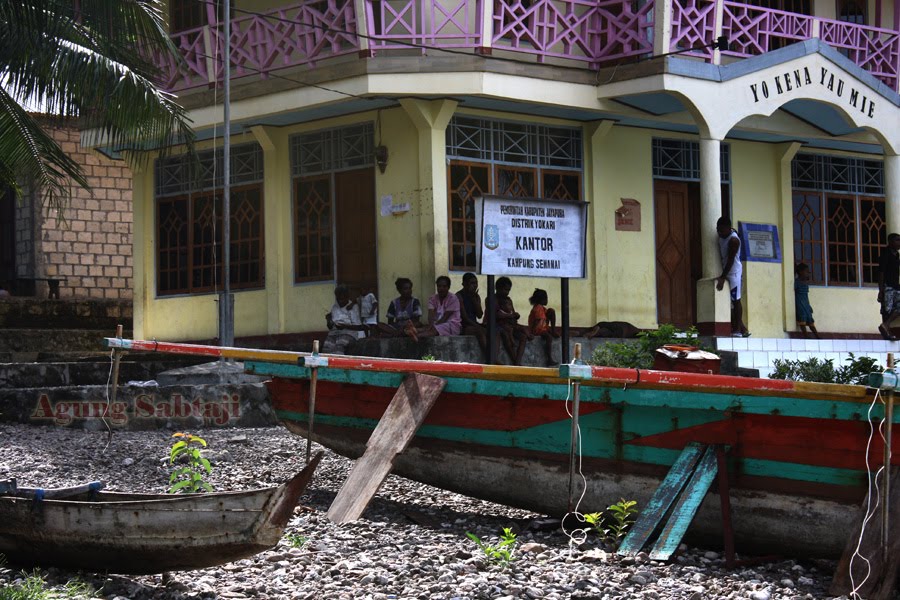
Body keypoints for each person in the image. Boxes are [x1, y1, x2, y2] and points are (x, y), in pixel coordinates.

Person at [715, 217, 750, 337]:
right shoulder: (722, 236)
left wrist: (722, 277)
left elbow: (730, 261)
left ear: (728, 229)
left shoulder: (734, 241)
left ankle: (737, 329)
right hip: (726, 270)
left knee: (736, 300)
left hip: (734, 273)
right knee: (730, 301)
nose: (719, 233)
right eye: (717, 230)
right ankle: (743, 328)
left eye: (722, 231)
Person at [323, 285, 367, 354]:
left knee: (339, 345)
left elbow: (359, 326)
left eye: (342, 299)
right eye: (338, 299)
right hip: (334, 333)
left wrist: (345, 326)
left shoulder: (353, 307)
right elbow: (330, 327)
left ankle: (338, 364)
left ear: (347, 297)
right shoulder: (335, 307)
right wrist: (329, 320)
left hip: (349, 333)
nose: (340, 301)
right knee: (326, 346)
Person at [495, 276, 529, 365]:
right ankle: (515, 361)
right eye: (505, 290)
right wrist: (510, 316)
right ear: (498, 288)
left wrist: (515, 316)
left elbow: (512, 313)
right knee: (507, 336)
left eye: (508, 290)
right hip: (498, 325)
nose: (507, 292)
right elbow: (496, 315)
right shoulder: (492, 298)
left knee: (523, 336)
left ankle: (518, 361)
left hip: (510, 325)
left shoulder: (508, 300)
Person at [456, 272, 487, 354]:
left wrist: (474, 300)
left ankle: (494, 355)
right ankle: (488, 355)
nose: (475, 285)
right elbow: (465, 318)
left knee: (494, 331)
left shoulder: (476, 296)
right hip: (463, 325)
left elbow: (480, 315)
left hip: (474, 323)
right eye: (472, 283)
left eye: (476, 283)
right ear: (464, 284)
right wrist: (478, 326)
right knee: (480, 331)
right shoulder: (459, 296)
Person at [877, 233, 900, 341]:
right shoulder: (885, 254)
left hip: (896, 286)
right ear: (890, 242)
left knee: (897, 308)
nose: (899, 243)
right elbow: (881, 273)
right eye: (897, 240)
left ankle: (885, 325)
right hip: (888, 287)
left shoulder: (897, 254)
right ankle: (886, 332)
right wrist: (881, 290)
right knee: (887, 309)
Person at [528, 288, 558, 366]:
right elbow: (537, 323)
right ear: (541, 299)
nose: (547, 300)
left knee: (551, 311)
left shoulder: (543, 309)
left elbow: (545, 319)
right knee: (549, 338)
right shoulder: (538, 308)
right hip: (537, 329)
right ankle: (549, 358)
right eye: (546, 298)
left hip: (543, 328)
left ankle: (553, 330)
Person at [794, 263, 818, 339]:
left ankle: (817, 336)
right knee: (802, 317)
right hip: (800, 303)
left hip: (806, 303)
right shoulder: (796, 282)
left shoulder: (805, 284)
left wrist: (809, 305)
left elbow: (806, 296)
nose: (808, 273)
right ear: (801, 272)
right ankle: (806, 336)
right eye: (806, 271)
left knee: (810, 318)